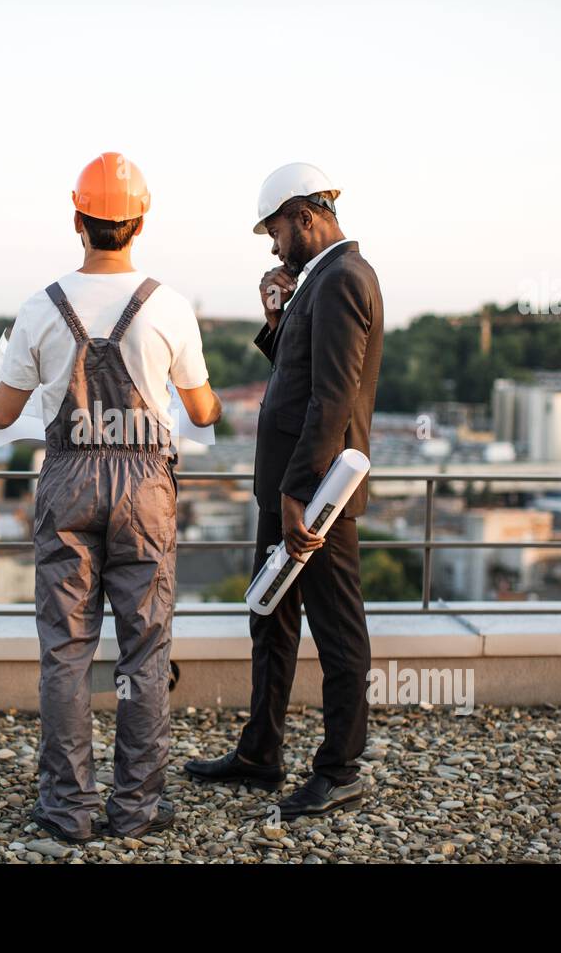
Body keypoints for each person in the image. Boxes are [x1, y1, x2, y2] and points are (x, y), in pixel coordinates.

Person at [0, 152, 221, 842]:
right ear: (141, 222)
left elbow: (6, 407)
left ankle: (68, 809)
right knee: (146, 651)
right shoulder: (169, 306)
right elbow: (202, 413)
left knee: (66, 650)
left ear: (77, 218)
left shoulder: (40, 307)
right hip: (144, 488)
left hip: (70, 479)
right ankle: (137, 805)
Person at [185, 162, 384, 819]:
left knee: (336, 630)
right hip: (291, 491)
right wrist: (275, 318)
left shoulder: (344, 278)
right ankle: (260, 752)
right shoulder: (316, 281)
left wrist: (300, 492)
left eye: (274, 230)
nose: (271, 246)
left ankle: (341, 770)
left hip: (316, 496)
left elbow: (334, 397)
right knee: (269, 616)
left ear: (304, 216)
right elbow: (299, 378)